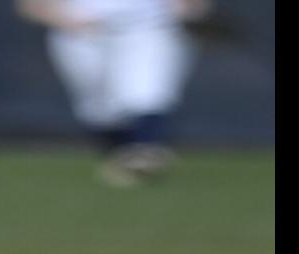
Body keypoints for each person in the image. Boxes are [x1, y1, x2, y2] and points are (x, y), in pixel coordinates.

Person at [15, 0, 211, 187]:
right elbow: (29, 7)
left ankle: (146, 148)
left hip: (150, 27)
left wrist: (192, 10)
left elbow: (193, 6)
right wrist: (61, 19)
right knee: (99, 109)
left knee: (147, 91)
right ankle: (123, 156)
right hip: (80, 32)